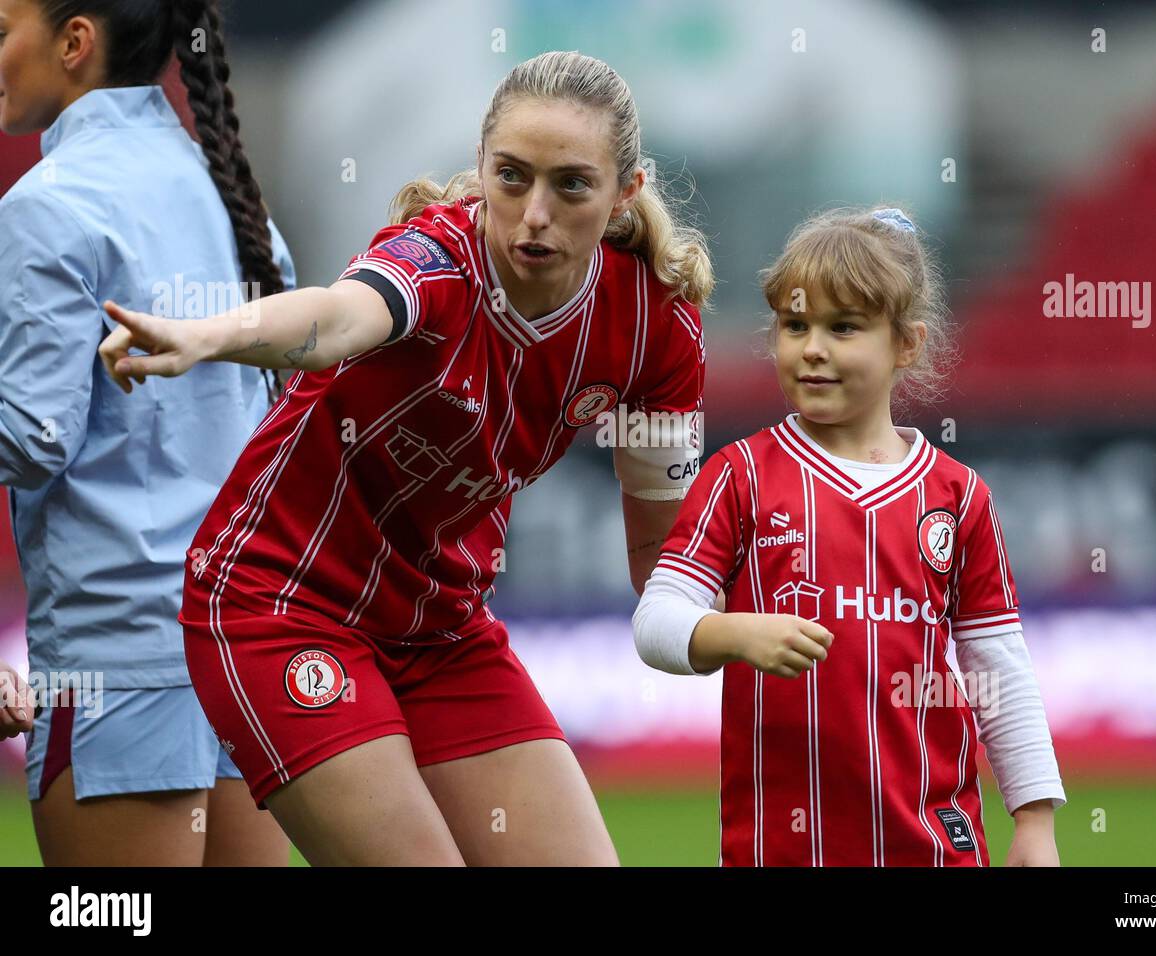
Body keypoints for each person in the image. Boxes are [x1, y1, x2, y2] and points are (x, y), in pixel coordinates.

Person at [96, 50, 713, 866]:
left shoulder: (657, 326)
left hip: (441, 629)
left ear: (624, 193)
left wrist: (778, 612)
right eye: (512, 176)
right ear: (482, 168)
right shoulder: (435, 260)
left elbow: (659, 562)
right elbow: (335, 318)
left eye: (570, 185)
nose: (533, 213)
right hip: (282, 605)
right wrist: (205, 336)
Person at [633, 206, 1066, 866]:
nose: (812, 347)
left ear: (907, 344)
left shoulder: (958, 497)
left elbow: (997, 671)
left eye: (843, 328)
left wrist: (1034, 824)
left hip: (936, 847)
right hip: (778, 849)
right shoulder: (740, 475)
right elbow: (656, 622)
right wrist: (739, 632)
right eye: (795, 324)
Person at [0, 0, 294, 864]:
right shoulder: (229, 191)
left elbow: (32, 436)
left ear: (75, 42)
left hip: (118, 669)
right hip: (246, 657)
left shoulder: (45, 206)